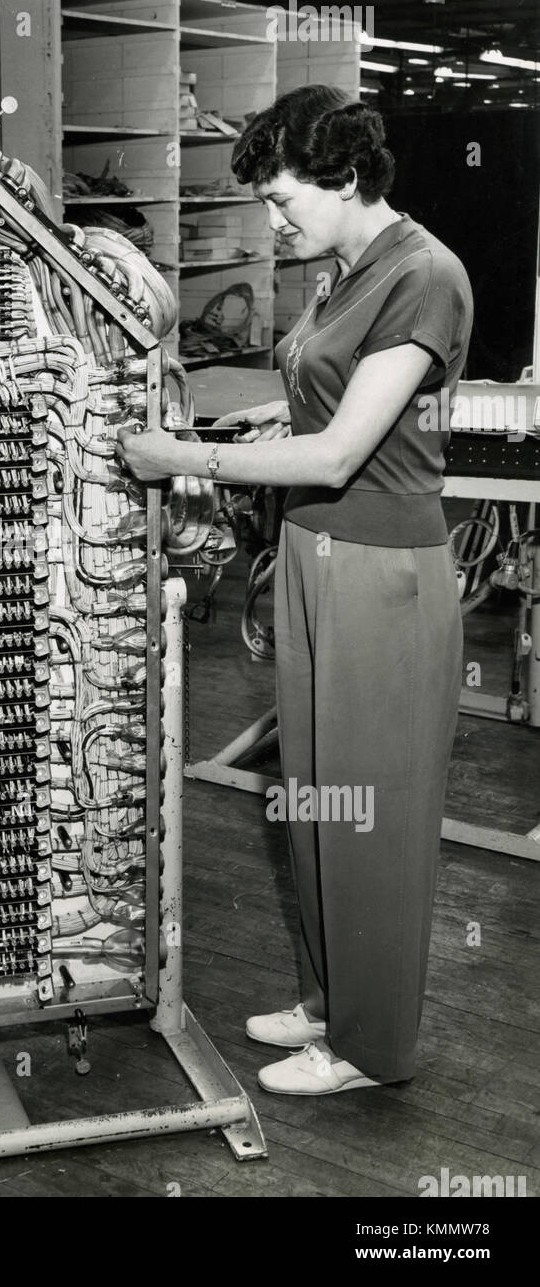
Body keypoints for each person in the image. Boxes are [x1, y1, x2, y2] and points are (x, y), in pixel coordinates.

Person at [117, 84, 473, 1095]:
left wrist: (178, 455)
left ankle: (368, 1047)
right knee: (315, 803)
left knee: (370, 820)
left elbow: (339, 458)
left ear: (346, 179)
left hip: (378, 574)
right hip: (316, 565)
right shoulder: (346, 267)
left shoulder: (421, 275)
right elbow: (329, 400)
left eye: (282, 202)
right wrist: (262, 424)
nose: (274, 223)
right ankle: (326, 999)